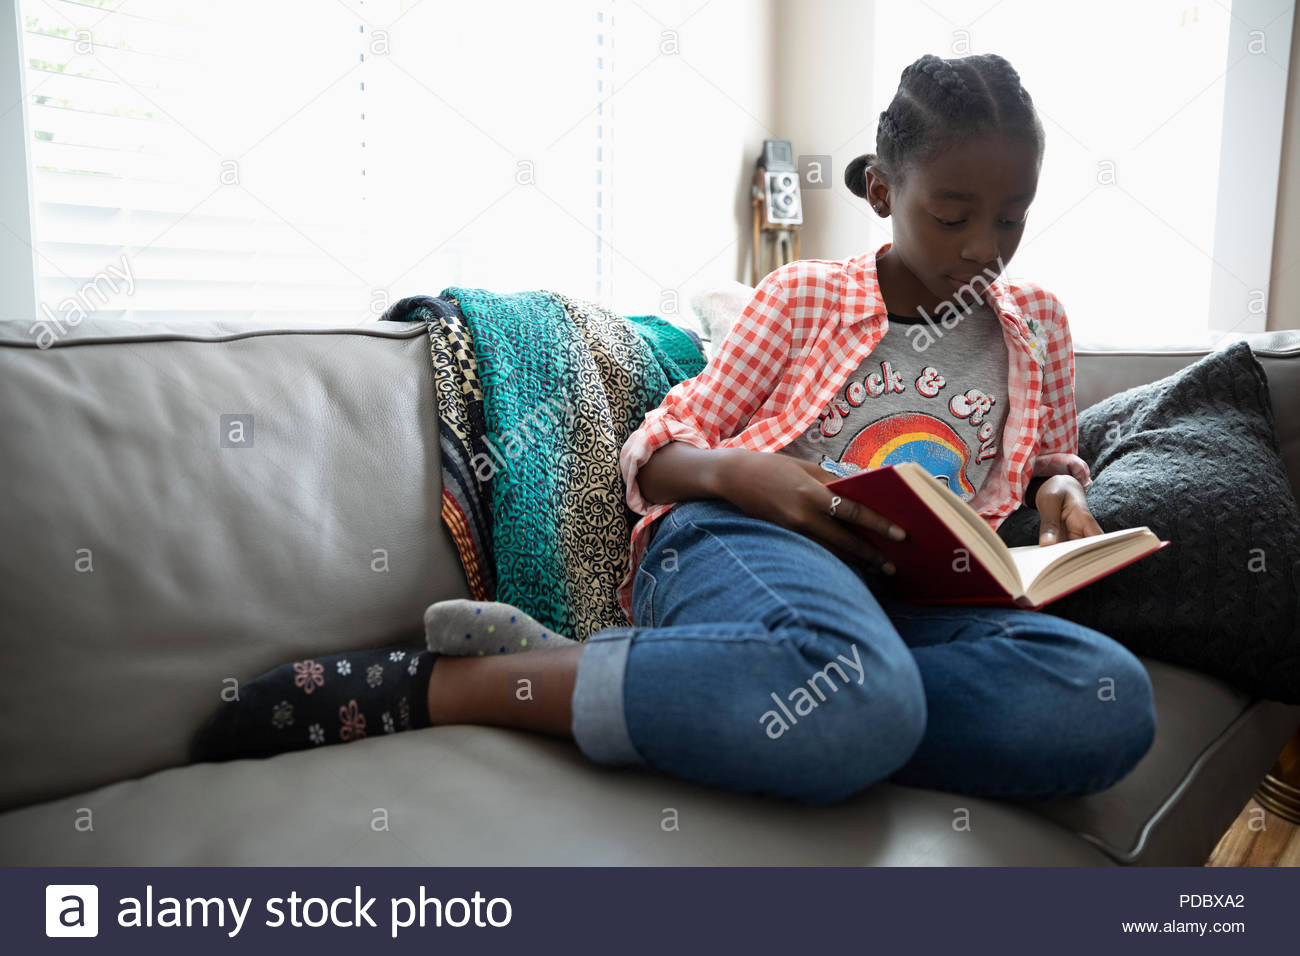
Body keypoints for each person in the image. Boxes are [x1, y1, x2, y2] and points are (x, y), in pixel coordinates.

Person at [191, 52, 1156, 807]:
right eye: (954, 216)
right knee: (852, 687)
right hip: (743, 545)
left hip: (921, 604)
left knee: (1106, 703)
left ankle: (769, 700)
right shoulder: (805, 298)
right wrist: (747, 478)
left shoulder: (1037, 323)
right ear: (881, 193)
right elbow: (655, 455)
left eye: (1013, 217)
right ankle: (456, 687)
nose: (985, 248)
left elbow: (1049, 457)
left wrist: (1062, 492)